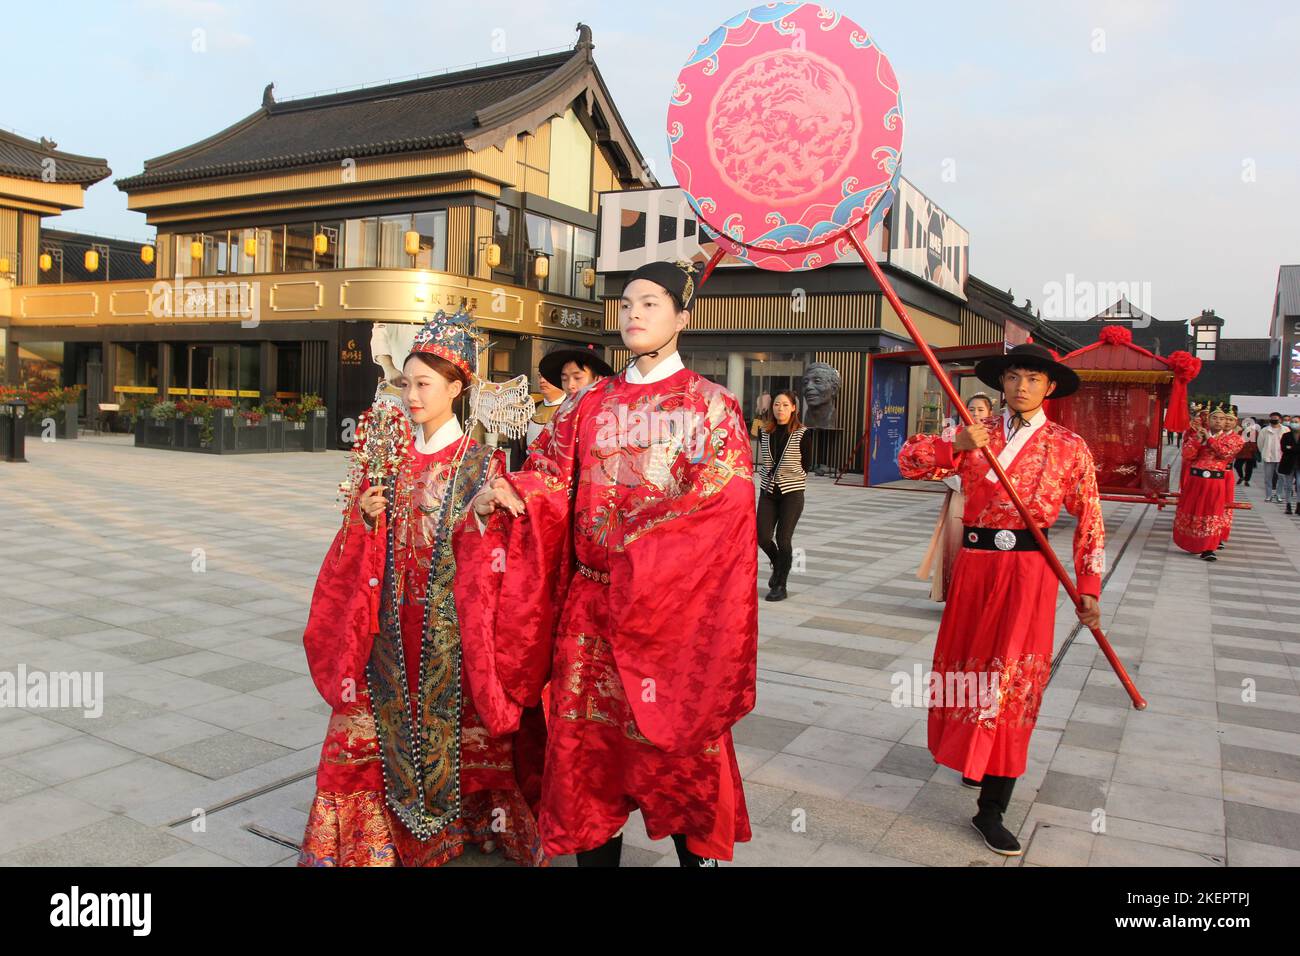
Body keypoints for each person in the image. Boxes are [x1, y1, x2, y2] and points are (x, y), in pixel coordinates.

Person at [453, 259, 758, 867]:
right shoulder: (591, 403)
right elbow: (549, 475)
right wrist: (513, 492)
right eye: (626, 304)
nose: (635, 314)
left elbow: (721, 506)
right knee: (586, 760)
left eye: (650, 303)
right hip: (589, 613)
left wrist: (635, 549)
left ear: (683, 317)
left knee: (674, 754)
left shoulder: (709, 407)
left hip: (669, 613)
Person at [298, 310, 546, 867]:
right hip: (385, 624)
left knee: (459, 731)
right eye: (404, 383)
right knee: (369, 727)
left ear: (456, 388)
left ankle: (467, 824)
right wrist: (362, 521)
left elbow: (508, 562)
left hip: (453, 634)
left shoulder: (485, 464)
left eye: (423, 384)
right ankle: (377, 835)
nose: (410, 395)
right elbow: (349, 550)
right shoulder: (384, 461)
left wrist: (483, 517)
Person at [897, 344, 1103, 857]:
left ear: (1049, 387)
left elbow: (1091, 519)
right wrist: (955, 446)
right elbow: (908, 461)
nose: (1022, 387)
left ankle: (992, 807)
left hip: (1028, 573)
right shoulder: (975, 434)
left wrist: (1089, 586)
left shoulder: (1068, 446)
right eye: (1013, 377)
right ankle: (974, 754)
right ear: (1002, 384)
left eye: (1033, 379)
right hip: (974, 567)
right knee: (968, 668)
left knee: (1013, 679)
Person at [917, 392, 995, 603]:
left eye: (980, 410)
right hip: (959, 496)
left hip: (987, 502)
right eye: (971, 409)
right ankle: (951, 593)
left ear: (990, 413)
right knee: (954, 543)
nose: (975, 414)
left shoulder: (995, 437)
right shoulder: (952, 433)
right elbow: (937, 464)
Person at [757, 390, 813, 602]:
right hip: (768, 492)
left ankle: (780, 584)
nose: (780, 409)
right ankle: (779, 564)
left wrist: (788, 477)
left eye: (785, 405)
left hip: (792, 493)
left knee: (783, 538)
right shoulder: (765, 432)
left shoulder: (802, 433)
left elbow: (806, 465)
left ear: (794, 408)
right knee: (762, 537)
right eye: (777, 405)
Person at [1173, 406, 1243, 560]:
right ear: (1208, 420)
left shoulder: (1234, 439)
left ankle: (1209, 548)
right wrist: (1198, 441)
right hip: (1195, 480)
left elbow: (1224, 453)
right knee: (1191, 510)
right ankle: (1192, 542)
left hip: (1215, 481)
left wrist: (1209, 440)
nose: (1218, 421)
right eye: (1215, 418)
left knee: (1212, 513)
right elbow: (1187, 454)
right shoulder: (1200, 435)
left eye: (1222, 419)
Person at [539, 347, 613, 402]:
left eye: (577, 378)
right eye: (564, 379)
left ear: (598, 379)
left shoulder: (611, 413)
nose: (570, 386)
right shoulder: (560, 414)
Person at [1259, 412, 1286, 502]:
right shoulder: (1264, 430)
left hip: (1281, 457)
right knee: (1268, 478)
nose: (1274, 420)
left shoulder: (1285, 429)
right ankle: (1268, 495)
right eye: (1272, 418)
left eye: (1276, 418)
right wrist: (1264, 452)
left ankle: (1278, 495)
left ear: (1280, 419)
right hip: (1268, 457)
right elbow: (1260, 443)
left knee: (1281, 477)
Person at [1279, 419, 1300, 515]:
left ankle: (1298, 505)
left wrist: (1291, 448)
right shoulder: (1286, 435)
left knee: (1299, 485)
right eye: (1293, 422)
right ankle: (1288, 505)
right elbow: (1284, 448)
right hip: (1288, 464)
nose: (1294, 423)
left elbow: (1289, 448)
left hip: (1298, 465)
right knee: (1288, 486)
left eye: (1296, 422)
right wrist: (1294, 448)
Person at [1235, 416, 1259, 486]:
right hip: (1241, 452)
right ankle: (1241, 476)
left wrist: (1255, 449)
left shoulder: (1255, 432)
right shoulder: (1241, 432)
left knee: (1249, 468)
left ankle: (1247, 480)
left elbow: (1258, 442)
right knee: (1237, 465)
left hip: (1251, 452)